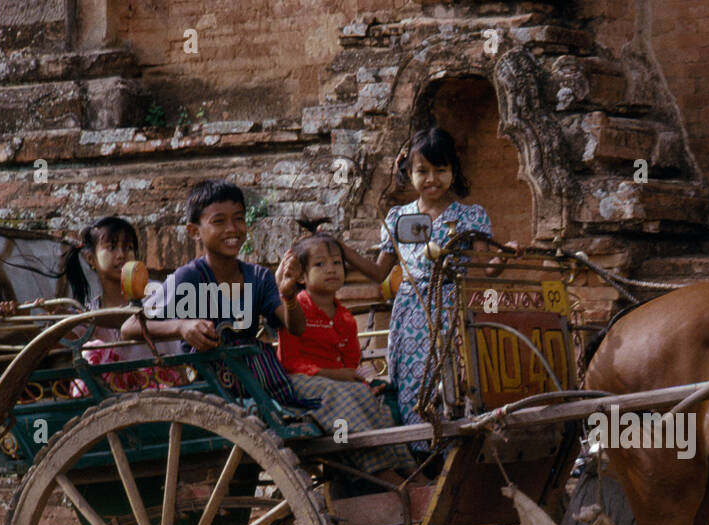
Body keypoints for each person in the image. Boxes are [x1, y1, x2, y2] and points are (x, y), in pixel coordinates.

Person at [340, 127, 517, 444]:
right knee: (413, 384)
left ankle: (449, 450)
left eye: (441, 170)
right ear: (408, 172)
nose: (432, 178)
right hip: (410, 317)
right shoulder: (398, 217)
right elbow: (381, 272)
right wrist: (343, 252)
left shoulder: (470, 216)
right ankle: (417, 451)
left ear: (453, 172)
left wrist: (504, 260)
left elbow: (483, 270)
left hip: (453, 315)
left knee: (454, 385)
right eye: (423, 171)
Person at [133, 178, 307, 407]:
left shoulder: (259, 278)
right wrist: (181, 326)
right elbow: (130, 327)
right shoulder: (189, 277)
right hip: (205, 390)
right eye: (219, 221)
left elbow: (297, 328)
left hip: (255, 381)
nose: (232, 229)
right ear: (194, 231)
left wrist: (288, 295)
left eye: (238, 219)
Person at [277, 233, 419, 486]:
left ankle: (408, 472)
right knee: (342, 397)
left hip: (339, 382)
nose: (331, 269)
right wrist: (334, 374)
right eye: (320, 264)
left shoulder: (345, 318)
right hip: (300, 382)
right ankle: (378, 473)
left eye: (337, 263)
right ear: (301, 276)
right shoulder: (296, 307)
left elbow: (351, 363)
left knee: (375, 403)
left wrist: (363, 380)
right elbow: (290, 360)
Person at [63, 216, 189, 395]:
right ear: (90, 258)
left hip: (160, 388)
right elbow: (59, 341)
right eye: (111, 247)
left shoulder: (156, 293)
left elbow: (131, 319)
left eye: (128, 248)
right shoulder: (89, 310)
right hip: (109, 401)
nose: (122, 255)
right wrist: (58, 317)